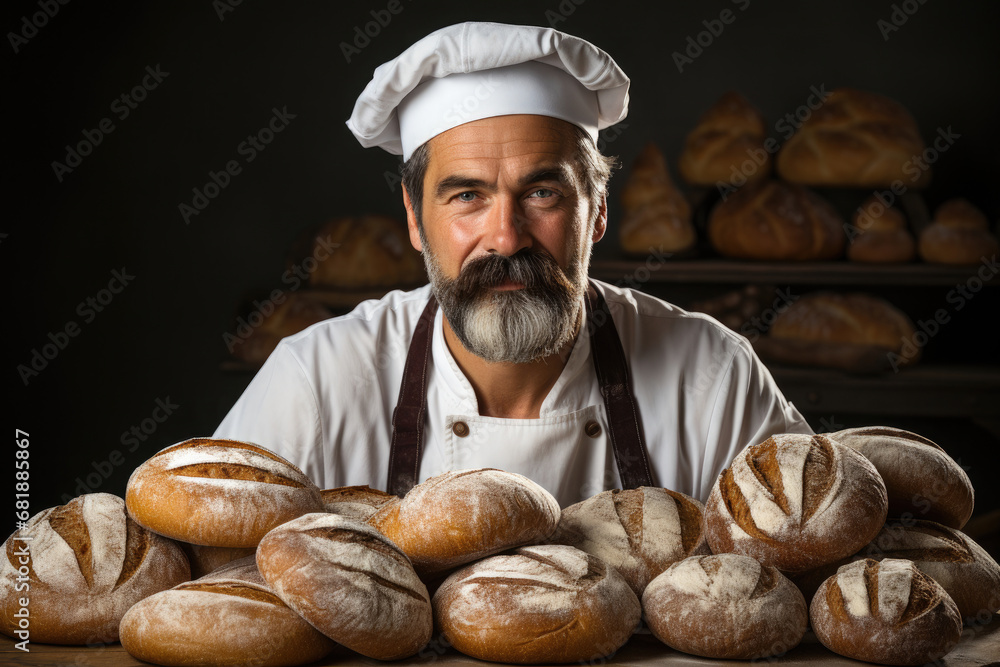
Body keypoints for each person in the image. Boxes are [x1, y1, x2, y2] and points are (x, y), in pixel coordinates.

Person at [214, 21, 812, 506]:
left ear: (598, 211)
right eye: (467, 196)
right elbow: (209, 578)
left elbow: (812, 556)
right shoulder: (317, 381)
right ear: (415, 218)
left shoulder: (711, 377)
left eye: (542, 193)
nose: (506, 239)